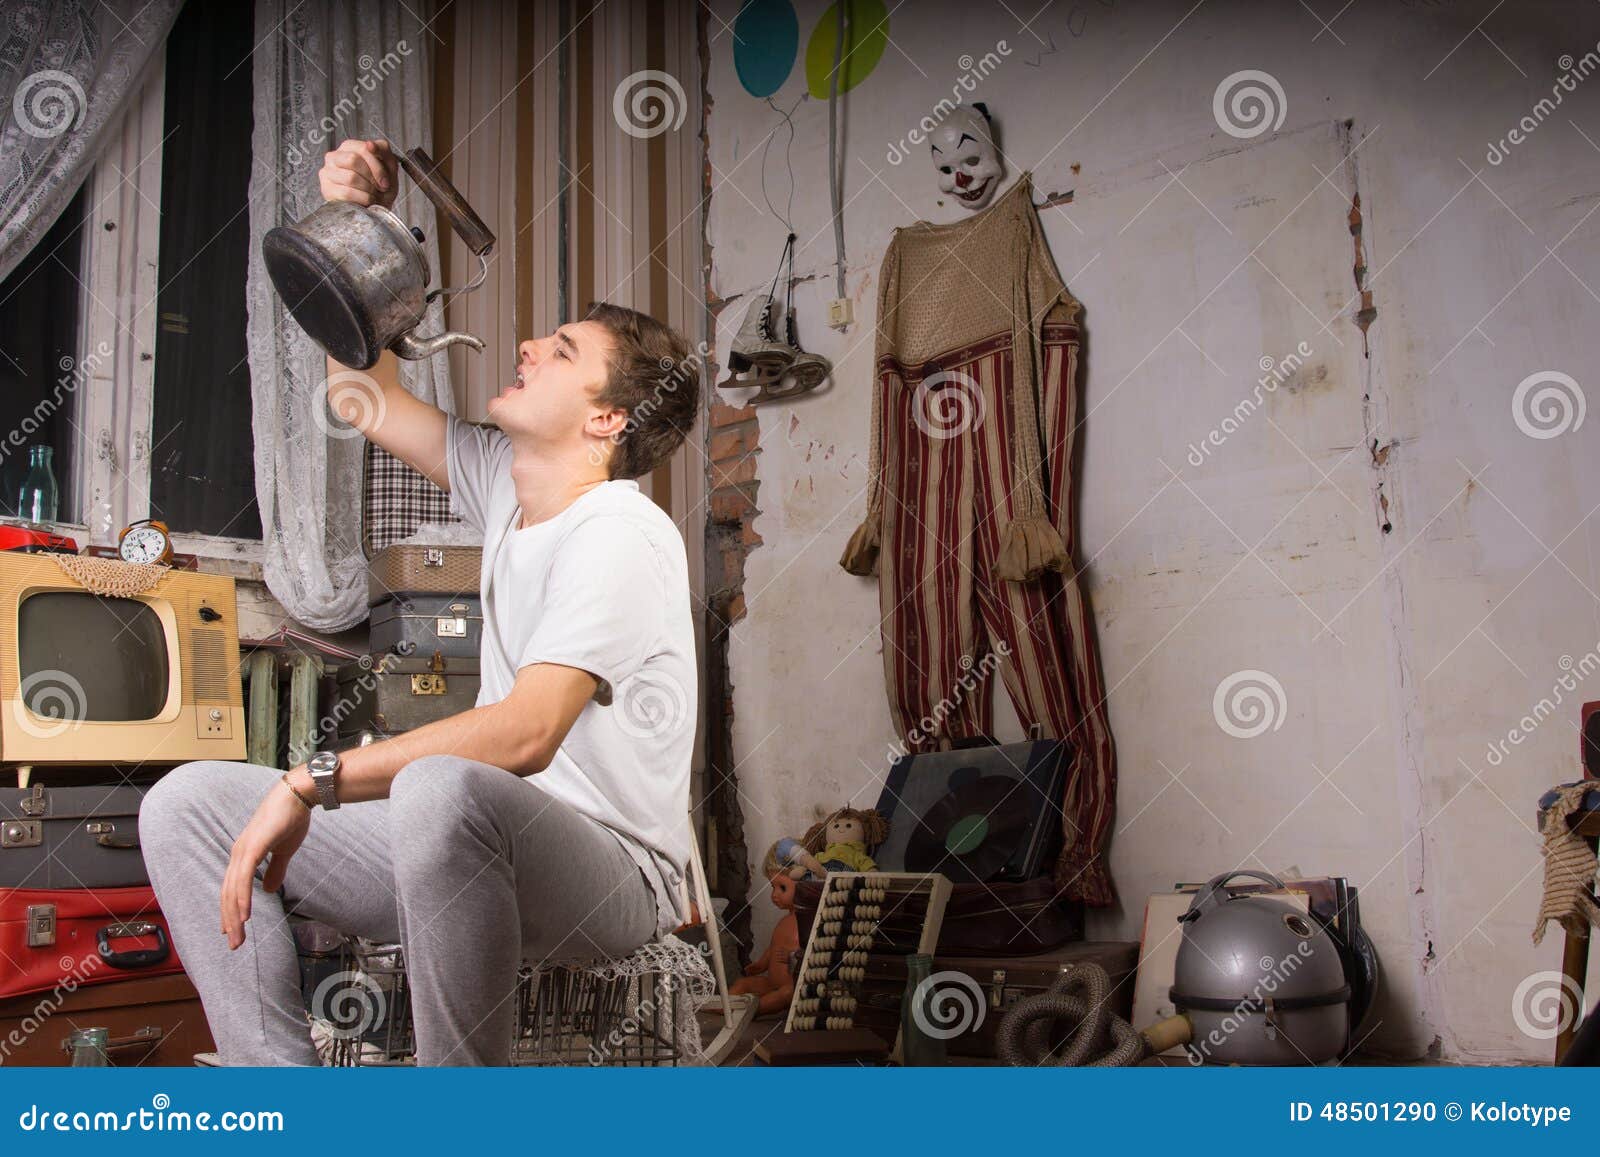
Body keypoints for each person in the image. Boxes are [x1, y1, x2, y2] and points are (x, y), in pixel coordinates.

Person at [142, 137, 702, 1066]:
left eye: (560, 352)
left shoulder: (623, 531)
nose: (528, 345)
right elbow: (363, 395)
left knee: (442, 786)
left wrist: (311, 781)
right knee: (186, 803)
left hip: (610, 875)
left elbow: (524, 736)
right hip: (470, 853)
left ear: (607, 420)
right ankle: (281, 1098)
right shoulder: (504, 481)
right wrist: (357, 223)